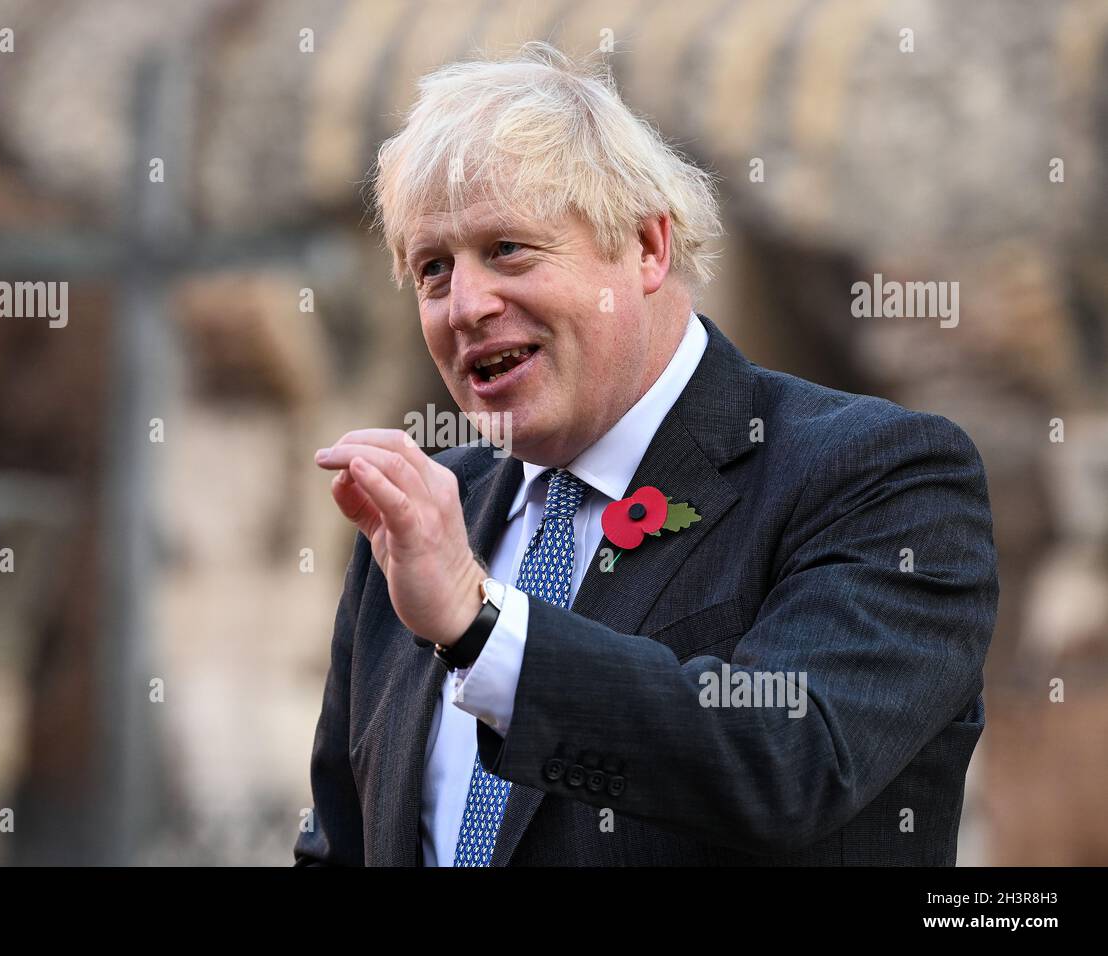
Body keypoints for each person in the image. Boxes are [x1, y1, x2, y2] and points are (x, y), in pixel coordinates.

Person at [294, 42, 997, 866]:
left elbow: (790, 760)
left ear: (649, 249)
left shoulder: (883, 477)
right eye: (433, 269)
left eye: (509, 249)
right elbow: (342, 842)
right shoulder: (423, 515)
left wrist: (480, 629)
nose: (468, 305)